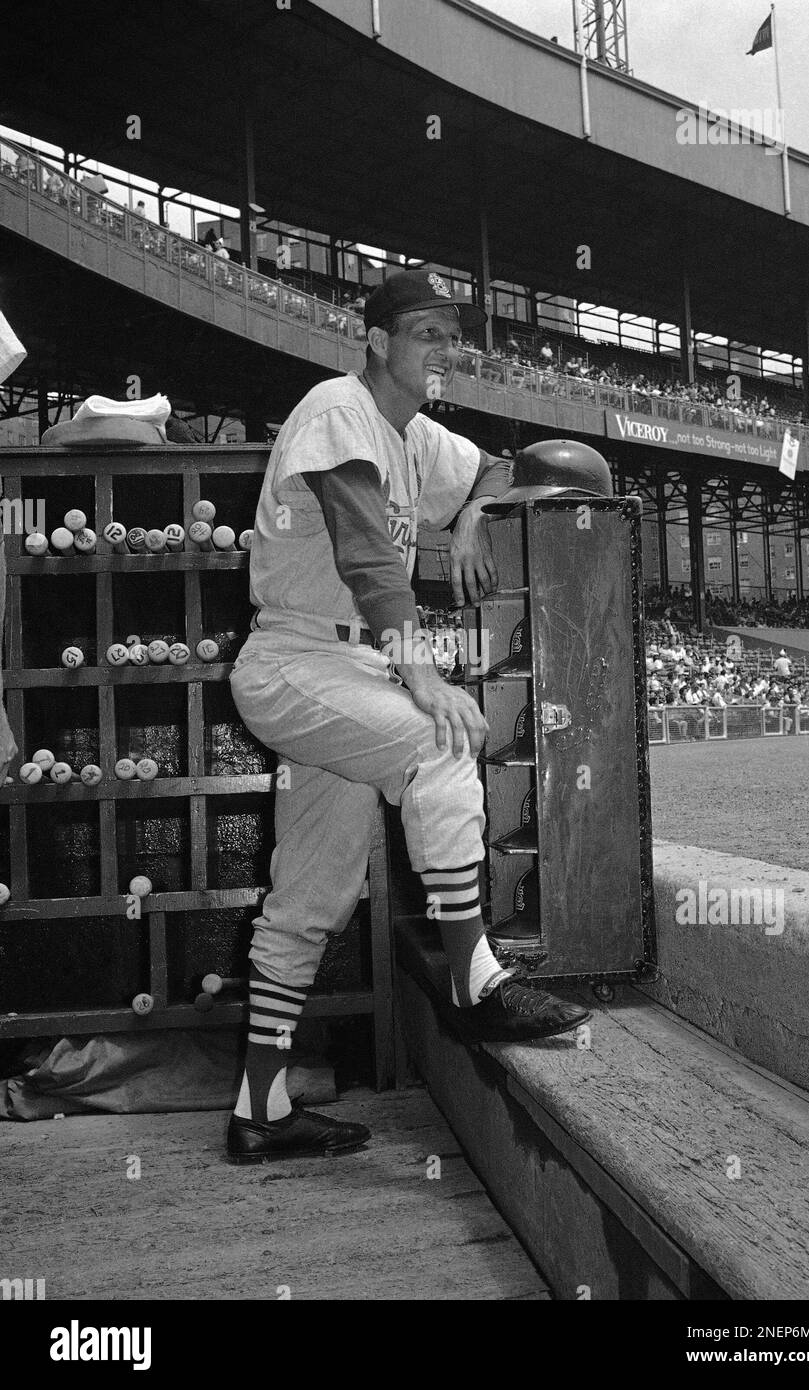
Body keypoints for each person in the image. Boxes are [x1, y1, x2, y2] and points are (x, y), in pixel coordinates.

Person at [226, 269, 591, 1163]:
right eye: (424, 333)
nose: (441, 350)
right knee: (439, 738)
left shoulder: (417, 435)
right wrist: (418, 669)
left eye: (449, 338)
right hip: (298, 658)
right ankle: (475, 980)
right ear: (377, 340)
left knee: (310, 897)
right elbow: (365, 552)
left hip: (345, 671)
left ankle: (259, 1111)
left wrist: (467, 522)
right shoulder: (336, 408)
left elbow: (500, 467)